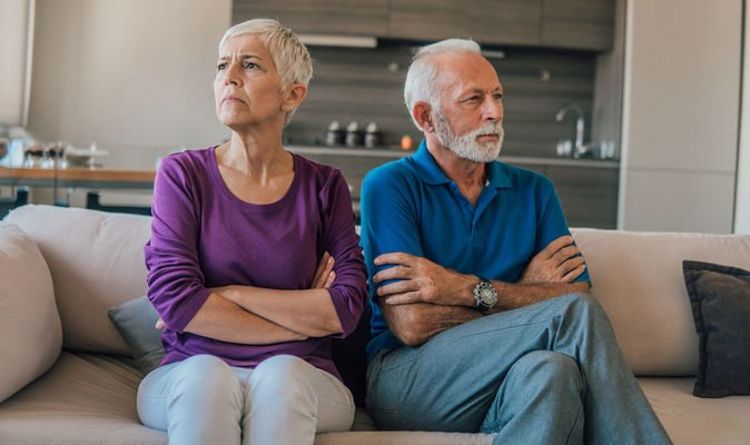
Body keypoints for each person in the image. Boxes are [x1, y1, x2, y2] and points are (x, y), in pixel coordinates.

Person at [359, 39, 671, 444]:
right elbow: (412, 324)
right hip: (408, 380)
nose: (495, 112)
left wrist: (463, 289)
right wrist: (527, 294)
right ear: (426, 117)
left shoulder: (535, 191)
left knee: (554, 372)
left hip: (504, 378)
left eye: (497, 95)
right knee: (573, 316)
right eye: (474, 99)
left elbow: (575, 287)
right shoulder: (389, 186)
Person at [139, 18, 367, 445]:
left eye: (250, 65)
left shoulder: (324, 185)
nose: (229, 77)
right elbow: (175, 298)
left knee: (279, 376)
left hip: (307, 376)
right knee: (210, 376)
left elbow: (346, 308)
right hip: (190, 367)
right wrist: (305, 320)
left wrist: (228, 294)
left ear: (292, 94)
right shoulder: (182, 175)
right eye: (222, 65)